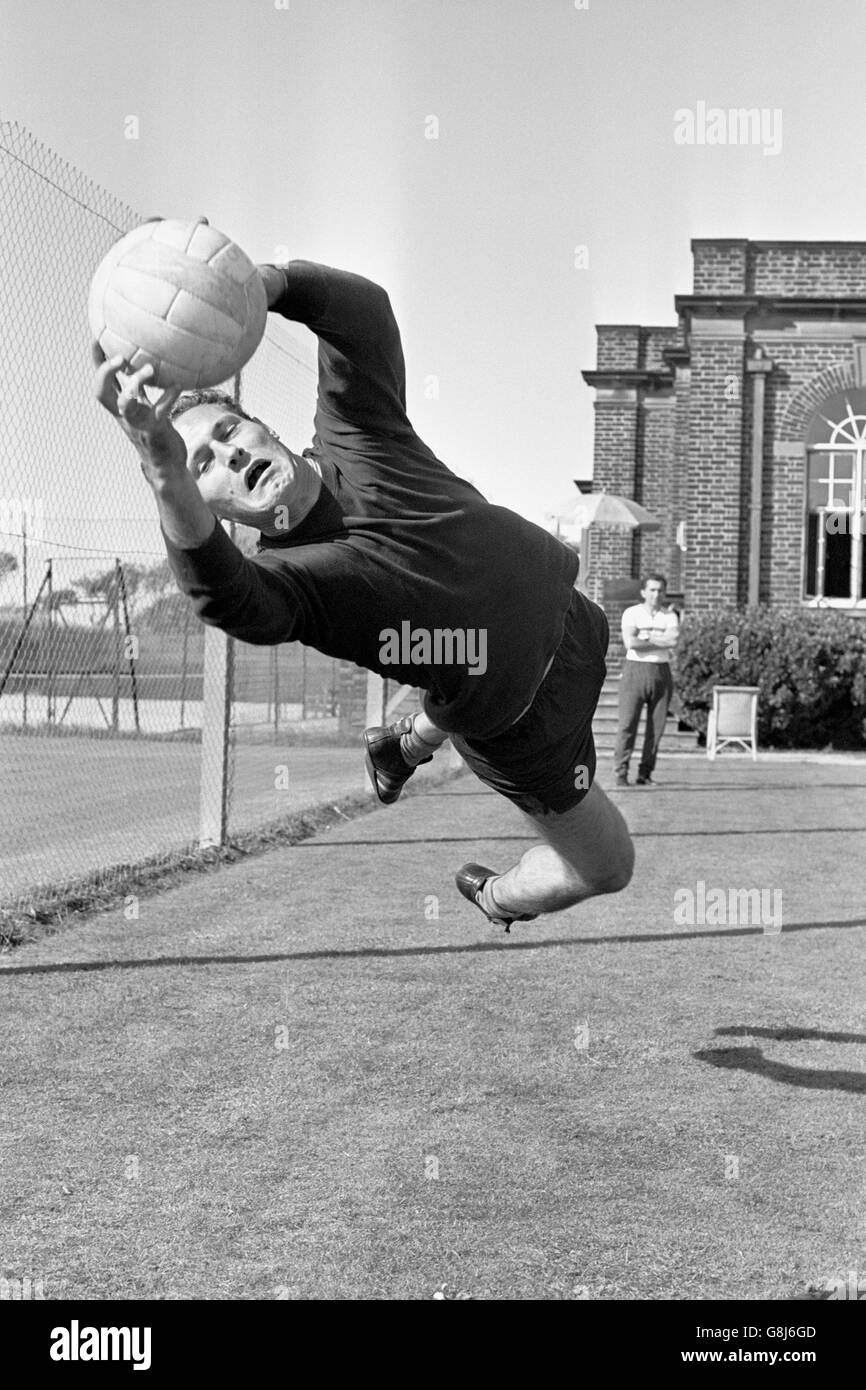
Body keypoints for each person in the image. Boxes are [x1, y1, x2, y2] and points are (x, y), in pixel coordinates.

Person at [94, 252, 634, 930]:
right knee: (606, 868)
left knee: (460, 641)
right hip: (525, 727)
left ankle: (403, 743)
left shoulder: (356, 433)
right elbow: (231, 602)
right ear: (216, 509)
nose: (230, 455)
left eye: (230, 432)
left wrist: (263, 286)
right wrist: (166, 476)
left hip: (577, 624)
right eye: (204, 464)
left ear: (264, 428)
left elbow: (364, 315)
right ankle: (496, 897)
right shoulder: (296, 575)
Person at [613, 574, 680, 787]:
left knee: (656, 728)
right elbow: (630, 642)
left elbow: (673, 641)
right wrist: (658, 640)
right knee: (627, 725)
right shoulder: (632, 613)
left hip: (661, 671)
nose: (656, 594)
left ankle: (645, 773)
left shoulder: (670, 616)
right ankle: (621, 772)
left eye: (660, 590)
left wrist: (646, 638)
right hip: (635, 671)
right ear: (643, 592)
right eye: (652, 590)